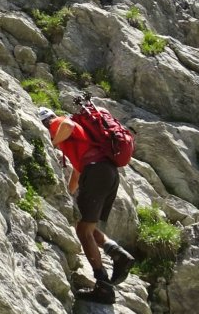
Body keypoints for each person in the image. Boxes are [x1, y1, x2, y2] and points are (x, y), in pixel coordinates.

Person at [40, 108, 135, 302]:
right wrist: (68, 196)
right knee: (84, 225)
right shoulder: (78, 142)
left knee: (83, 231)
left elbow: (67, 124)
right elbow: (76, 171)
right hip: (108, 173)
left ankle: (104, 286)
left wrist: (52, 142)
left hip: (96, 173)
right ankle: (117, 254)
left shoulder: (57, 122)